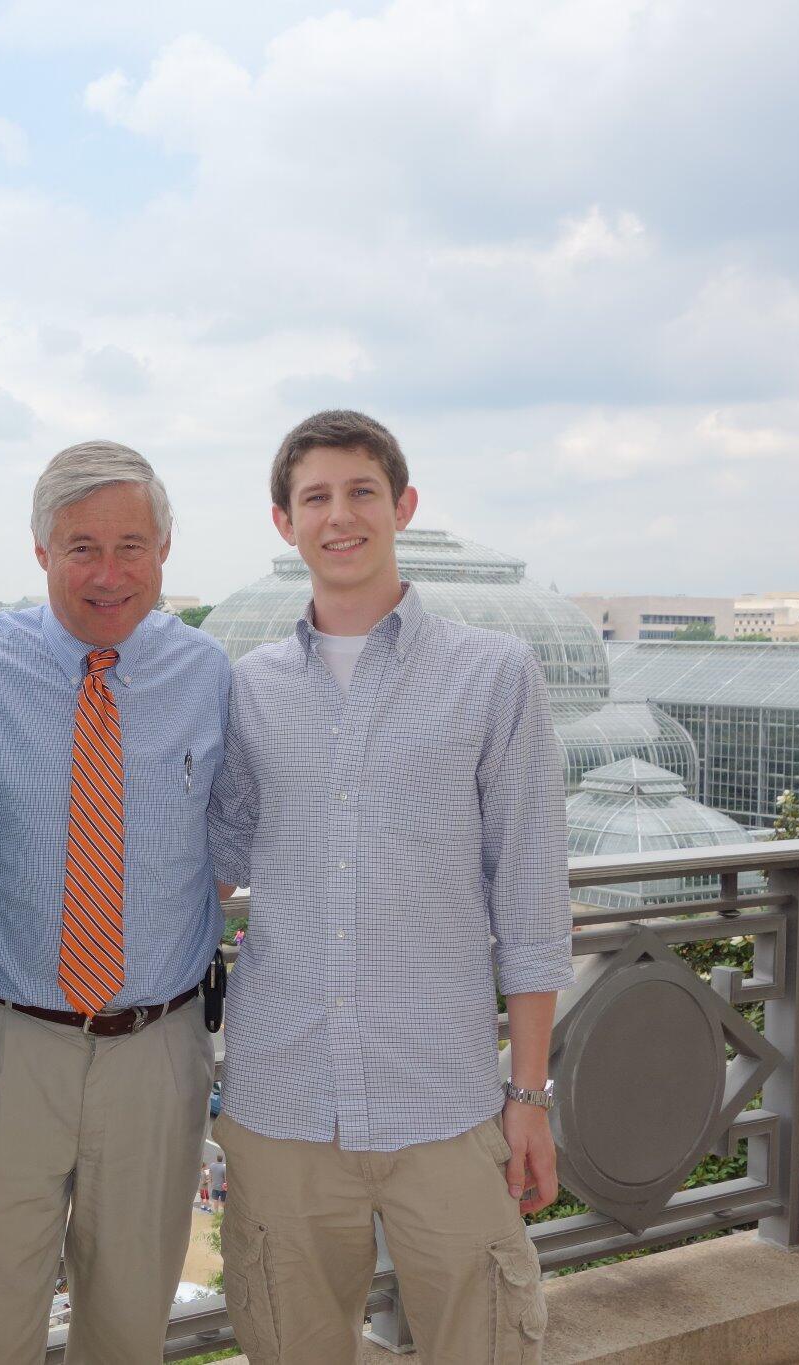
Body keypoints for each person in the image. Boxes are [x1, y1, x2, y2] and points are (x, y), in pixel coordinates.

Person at [207, 410, 573, 1363]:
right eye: (315, 497)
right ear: (284, 522)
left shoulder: (493, 673)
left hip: (446, 1103)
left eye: (361, 491)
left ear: (403, 505)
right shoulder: (248, 686)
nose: (341, 516)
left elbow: (531, 894)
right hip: (279, 1103)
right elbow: (211, 860)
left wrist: (528, 1093)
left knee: (488, 1345)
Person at [0, 440, 230, 1364]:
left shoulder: (209, 674)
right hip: (4, 1046)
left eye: (131, 544)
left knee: (131, 1326)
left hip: (158, 1051)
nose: (108, 573)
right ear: (40, 550)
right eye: (81, 546)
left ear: (166, 548)